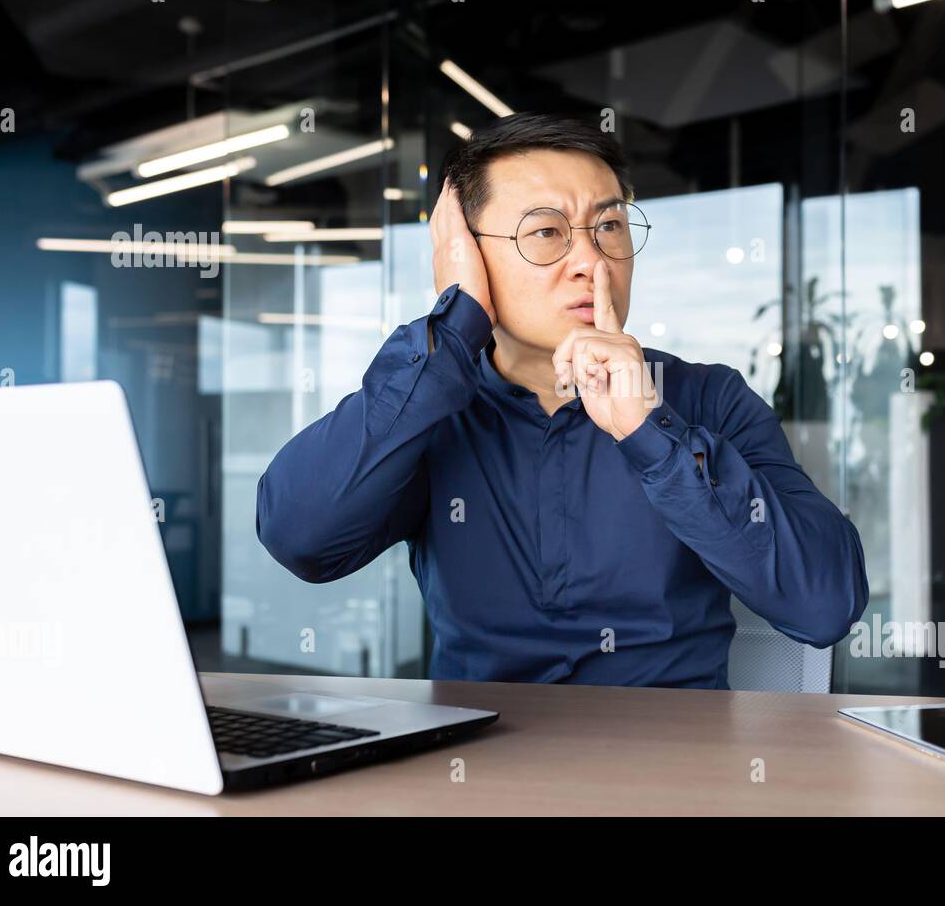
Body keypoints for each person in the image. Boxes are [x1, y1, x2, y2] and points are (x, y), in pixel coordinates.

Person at [256, 112, 868, 688]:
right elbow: (301, 538)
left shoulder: (707, 397)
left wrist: (649, 431)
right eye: (546, 232)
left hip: (672, 772)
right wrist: (451, 330)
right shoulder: (432, 409)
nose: (591, 260)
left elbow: (826, 605)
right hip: (477, 769)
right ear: (467, 253)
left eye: (608, 226)